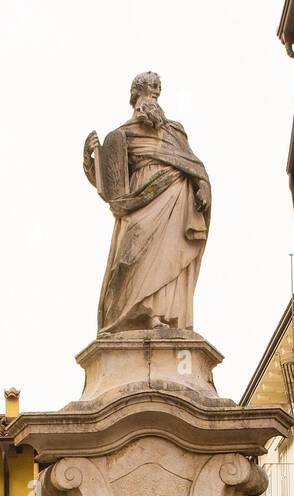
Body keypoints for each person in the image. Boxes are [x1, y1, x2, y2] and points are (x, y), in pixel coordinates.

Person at [84, 72, 211, 334]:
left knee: (167, 256)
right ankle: (118, 320)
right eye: (150, 89)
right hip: (136, 204)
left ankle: (158, 315)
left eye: (158, 89)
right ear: (135, 96)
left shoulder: (174, 132)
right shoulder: (121, 136)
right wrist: (91, 160)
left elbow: (194, 164)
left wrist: (203, 185)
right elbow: (110, 186)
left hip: (174, 197)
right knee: (127, 260)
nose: (155, 93)